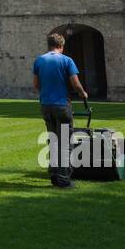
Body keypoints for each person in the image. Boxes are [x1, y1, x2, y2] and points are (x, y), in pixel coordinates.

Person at [32, 33, 88, 189]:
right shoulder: (66, 60)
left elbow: (36, 85)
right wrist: (83, 93)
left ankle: (54, 174)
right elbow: (75, 84)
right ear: (61, 46)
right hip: (61, 105)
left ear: (48, 45)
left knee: (53, 140)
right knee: (64, 143)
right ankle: (63, 179)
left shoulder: (39, 60)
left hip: (45, 105)